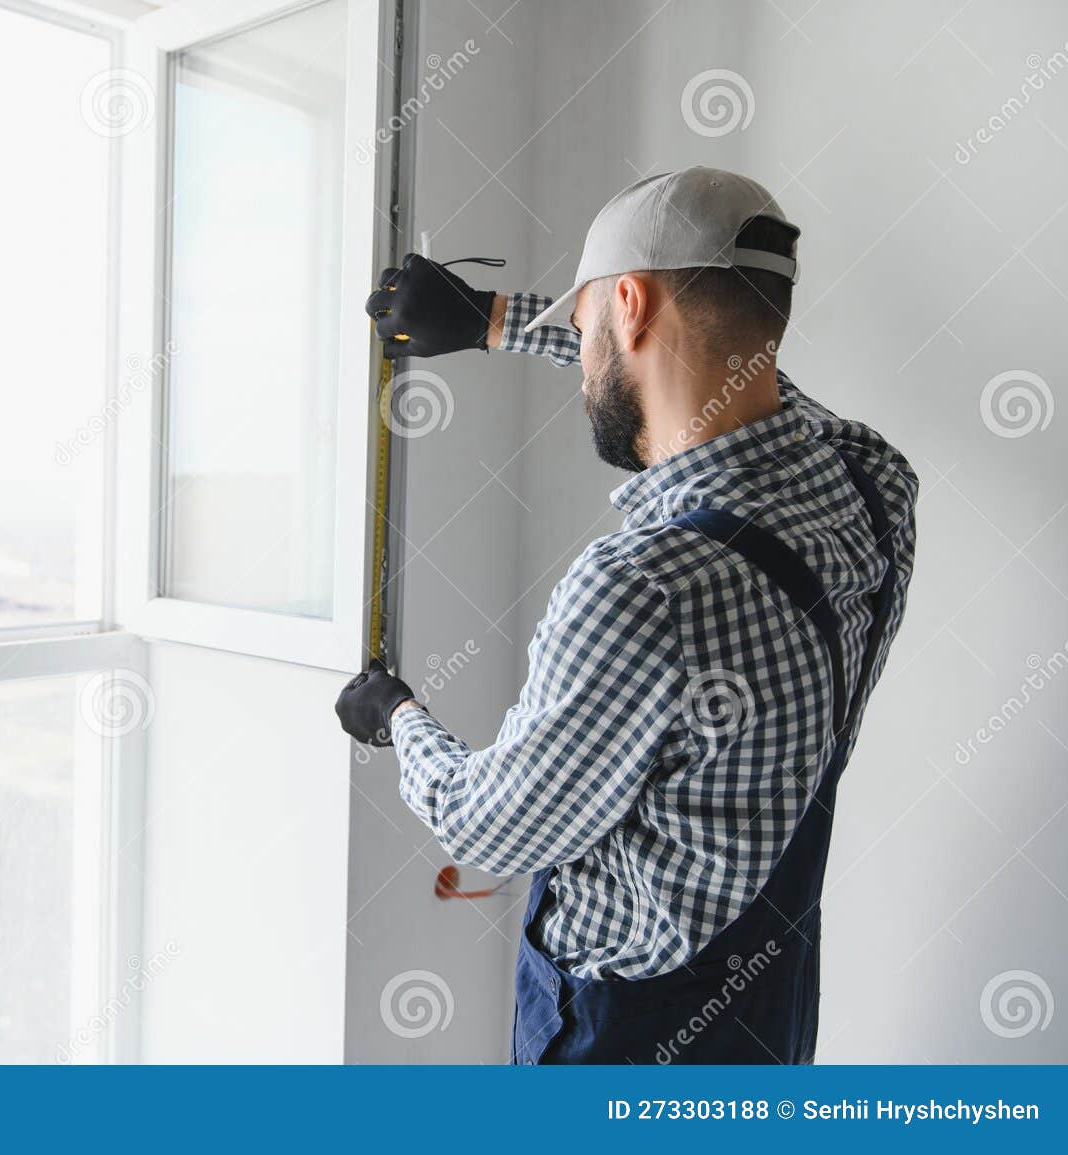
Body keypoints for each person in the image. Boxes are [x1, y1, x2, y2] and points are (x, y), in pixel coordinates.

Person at [335, 167, 919, 1064]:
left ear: (633, 305)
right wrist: (496, 320)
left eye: (585, 324)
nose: (581, 359)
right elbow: (745, 380)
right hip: (768, 1012)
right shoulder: (871, 483)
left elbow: (493, 824)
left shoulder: (644, 588)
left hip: (623, 1044)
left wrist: (396, 718)